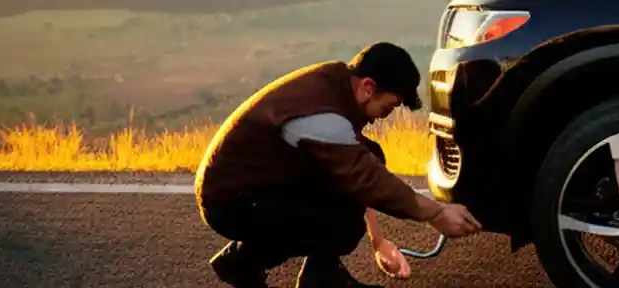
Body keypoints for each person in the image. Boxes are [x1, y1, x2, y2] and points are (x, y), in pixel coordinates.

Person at [195, 42, 482, 288]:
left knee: (369, 157)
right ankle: (246, 261)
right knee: (338, 222)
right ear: (368, 88)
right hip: (231, 203)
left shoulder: (336, 86)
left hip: (263, 186)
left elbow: (357, 175)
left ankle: (318, 274)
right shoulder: (320, 113)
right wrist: (435, 213)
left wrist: (379, 242)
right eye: (388, 108)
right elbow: (363, 179)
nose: (382, 117)